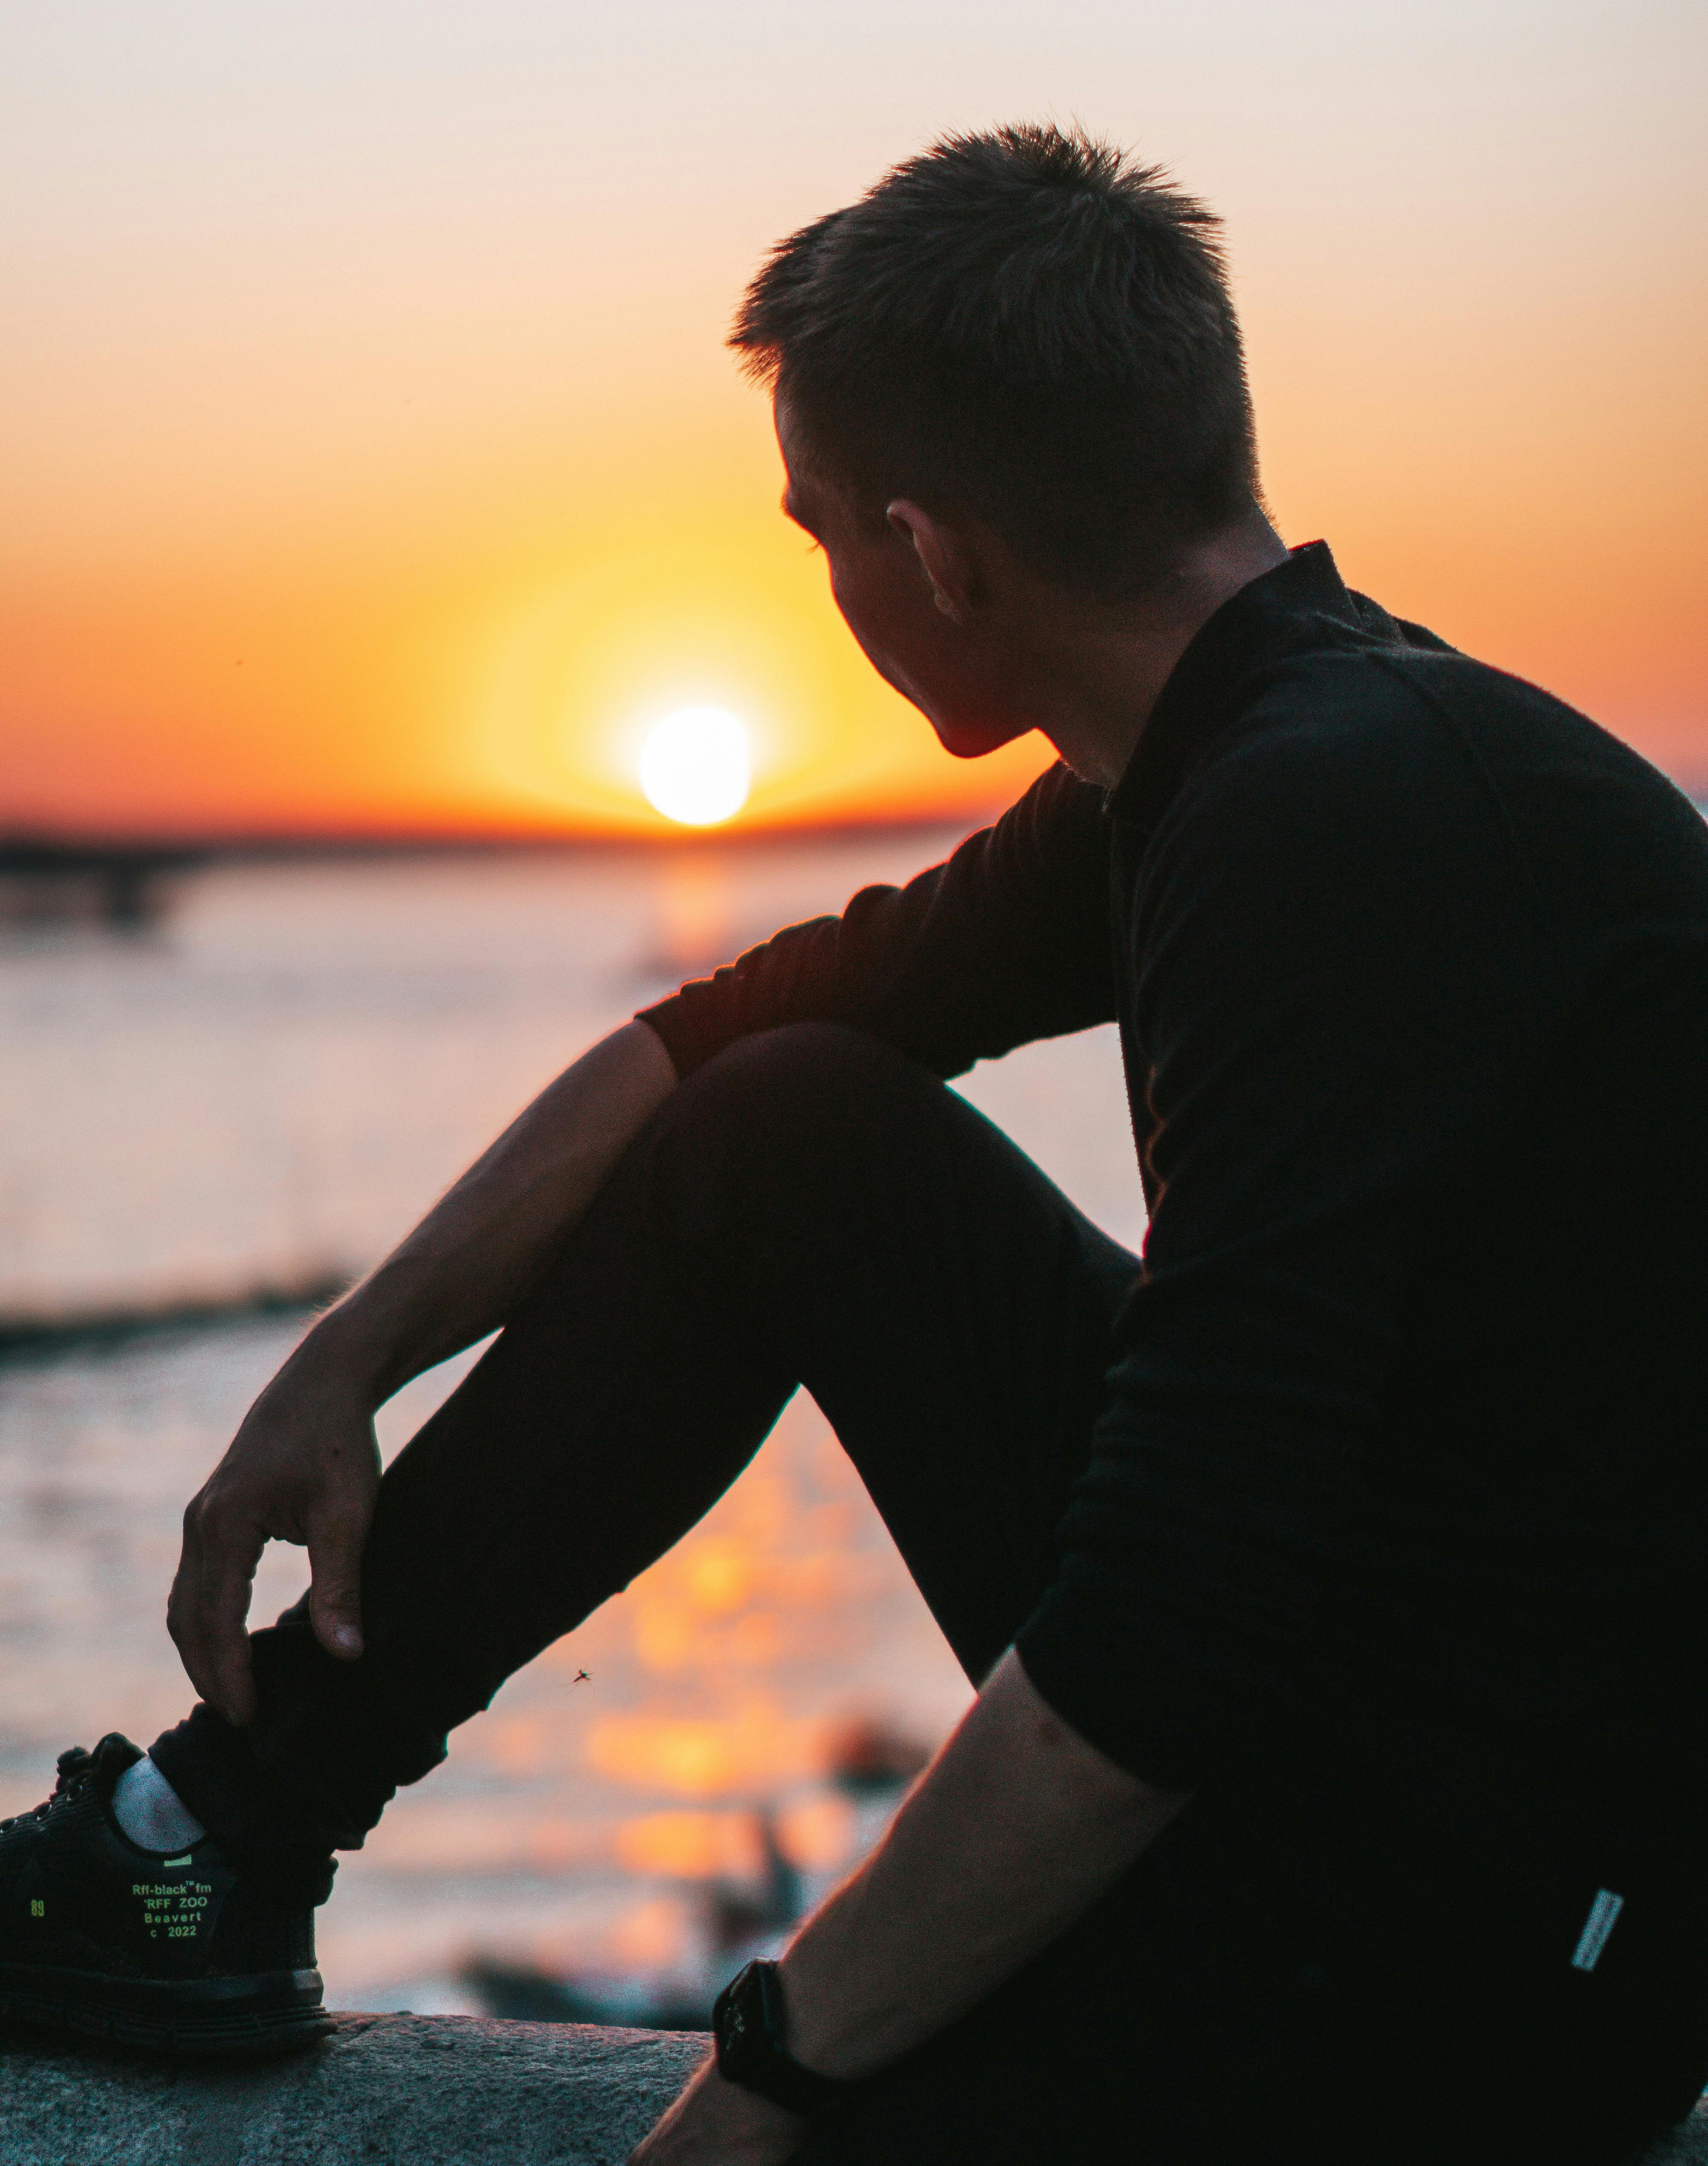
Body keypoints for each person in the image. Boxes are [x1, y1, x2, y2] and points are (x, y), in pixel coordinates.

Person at [3, 126, 1705, 2165]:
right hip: (1368, 1728)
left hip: (1492, 1954)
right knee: (786, 1120)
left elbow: (1168, 1638)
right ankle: (212, 1845)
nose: (826, 591)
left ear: (945, 554)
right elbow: (713, 1045)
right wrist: (341, 1364)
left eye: (823, 538)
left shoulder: (1322, 828)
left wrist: (769, 2072)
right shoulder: (1247, 748)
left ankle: (223, 1843)